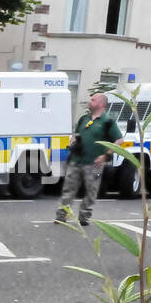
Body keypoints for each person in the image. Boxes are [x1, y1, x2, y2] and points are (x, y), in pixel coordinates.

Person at [56, 93, 122, 227]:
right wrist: (73, 140)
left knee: (91, 191)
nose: (90, 102)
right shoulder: (84, 119)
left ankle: (84, 216)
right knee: (68, 189)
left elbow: (119, 140)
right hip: (76, 160)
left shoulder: (107, 121)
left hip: (94, 163)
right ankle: (61, 216)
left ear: (101, 104)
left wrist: (105, 156)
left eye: (93, 100)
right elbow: (77, 133)